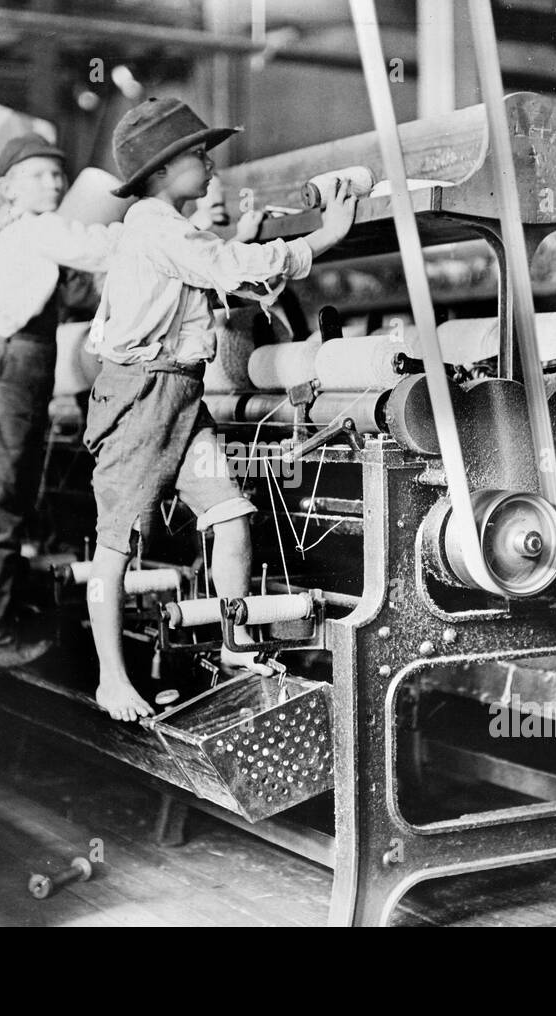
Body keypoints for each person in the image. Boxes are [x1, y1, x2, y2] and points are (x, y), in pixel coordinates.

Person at [84, 97, 357, 721]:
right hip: (141, 399)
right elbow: (232, 266)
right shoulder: (154, 224)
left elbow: (230, 266)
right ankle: (109, 679)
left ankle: (234, 644)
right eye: (197, 155)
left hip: (182, 396)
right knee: (115, 549)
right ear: (159, 172)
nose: (210, 165)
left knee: (231, 516)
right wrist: (324, 237)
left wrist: (267, 241)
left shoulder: (173, 228)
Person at [0, 133, 120, 678]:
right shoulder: (40, 229)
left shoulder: (20, 234)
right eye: (39, 174)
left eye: (58, 174)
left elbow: (72, 297)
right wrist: (162, 230)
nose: (55, 182)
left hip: (8, 366)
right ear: (8, 187)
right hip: (9, 369)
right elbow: (103, 248)